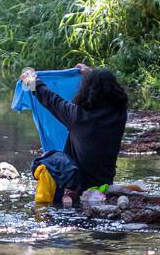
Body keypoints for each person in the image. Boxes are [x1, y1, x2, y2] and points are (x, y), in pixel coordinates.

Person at [18, 63, 129, 207]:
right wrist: (91, 73)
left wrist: (32, 81)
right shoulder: (119, 116)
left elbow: (50, 98)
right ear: (115, 90)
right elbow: (108, 88)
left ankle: (68, 193)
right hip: (105, 184)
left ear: (86, 91)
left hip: (77, 184)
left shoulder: (77, 116)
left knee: (47, 159)